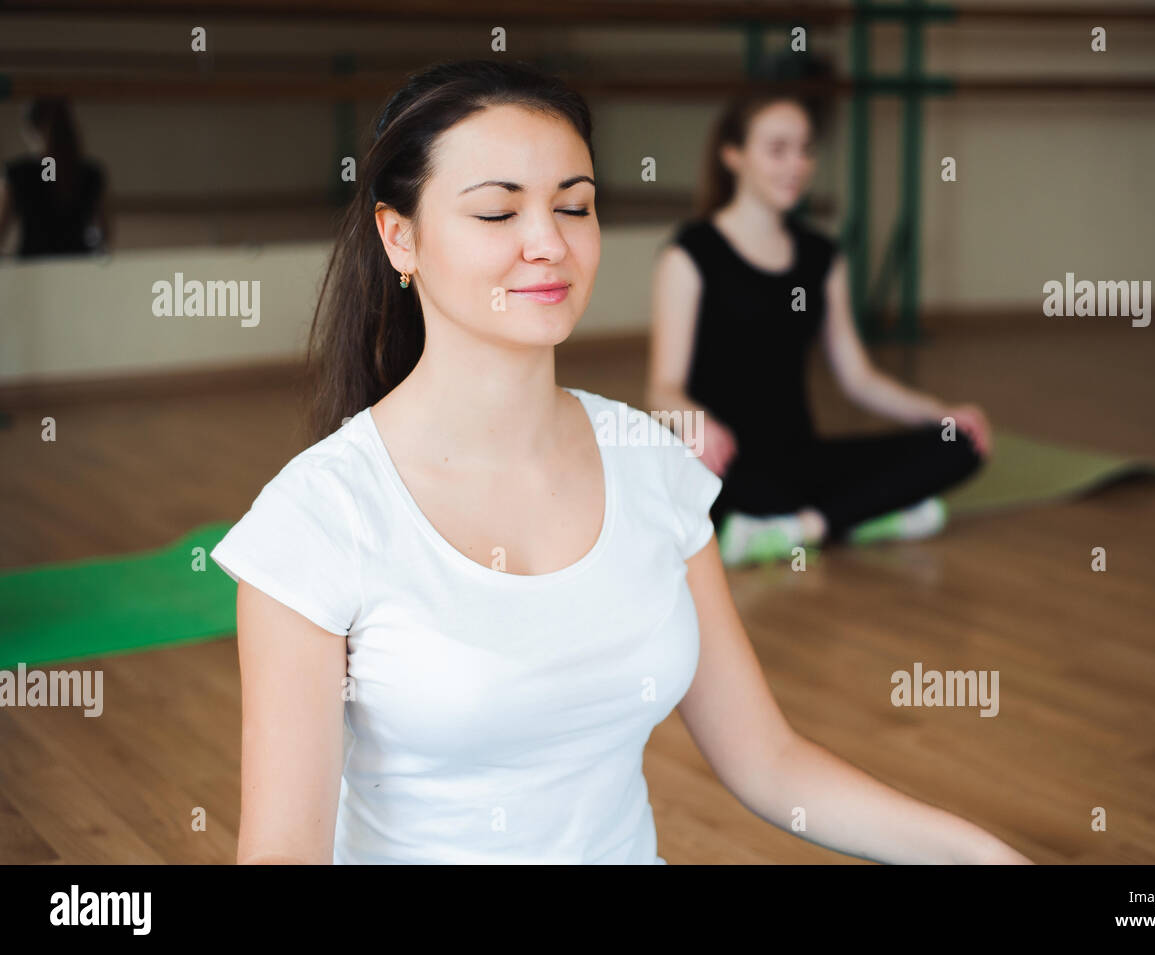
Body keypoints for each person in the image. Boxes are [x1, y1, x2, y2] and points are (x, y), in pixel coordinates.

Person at [211, 59, 1030, 865]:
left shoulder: (651, 468)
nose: (549, 244)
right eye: (498, 213)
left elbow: (766, 759)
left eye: (575, 206)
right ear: (401, 237)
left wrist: (978, 852)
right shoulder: (319, 517)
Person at [648, 89, 992, 567]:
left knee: (962, 446)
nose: (797, 164)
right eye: (777, 149)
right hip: (726, 466)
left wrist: (941, 413)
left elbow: (859, 378)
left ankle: (804, 528)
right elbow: (663, 390)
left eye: (806, 149)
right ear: (733, 155)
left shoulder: (821, 256)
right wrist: (696, 424)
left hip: (800, 459)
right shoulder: (689, 255)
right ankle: (863, 516)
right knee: (703, 494)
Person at [0, 98, 110, 259]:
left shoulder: (18, 173)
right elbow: (104, 233)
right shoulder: (91, 173)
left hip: (32, 267)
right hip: (76, 265)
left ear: (30, 128)